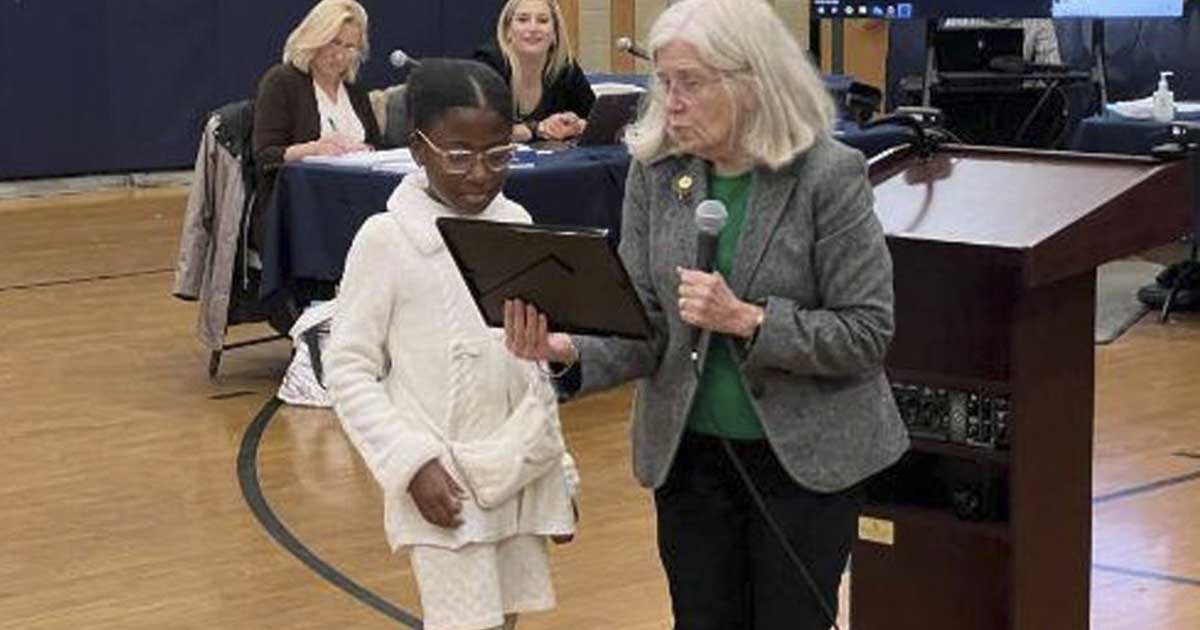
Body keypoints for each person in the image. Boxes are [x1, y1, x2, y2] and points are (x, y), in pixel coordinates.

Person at [503, 1, 909, 628]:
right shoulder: (654, 173)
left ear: (752, 81)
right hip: (689, 458)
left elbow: (865, 332)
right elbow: (646, 323)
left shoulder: (828, 175)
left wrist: (750, 320)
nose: (670, 101)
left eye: (688, 82)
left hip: (805, 462)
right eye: (663, 81)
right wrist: (570, 351)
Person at [324, 58, 578, 630]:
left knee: (506, 620)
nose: (479, 175)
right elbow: (347, 369)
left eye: (497, 155)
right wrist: (410, 463)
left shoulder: (518, 222)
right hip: (442, 480)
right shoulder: (386, 240)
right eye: (458, 156)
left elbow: (530, 365)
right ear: (418, 149)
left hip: (516, 473)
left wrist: (559, 473)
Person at [251, 0, 382, 252]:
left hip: (355, 200)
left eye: (350, 47)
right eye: (334, 42)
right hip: (301, 208)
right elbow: (265, 155)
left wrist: (364, 149)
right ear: (314, 38)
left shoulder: (354, 90)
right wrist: (314, 149)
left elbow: (378, 146)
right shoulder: (282, 81)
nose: (340, 54)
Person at [474, 0, 595, 143]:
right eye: (523, 20)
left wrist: (575, 125)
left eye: (543, 21)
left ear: (555, 33)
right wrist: (538, 128)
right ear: (507, 31)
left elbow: (594, 117)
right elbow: (477, 129)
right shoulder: (488, 64)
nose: (533, 28)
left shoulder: (564, 67)